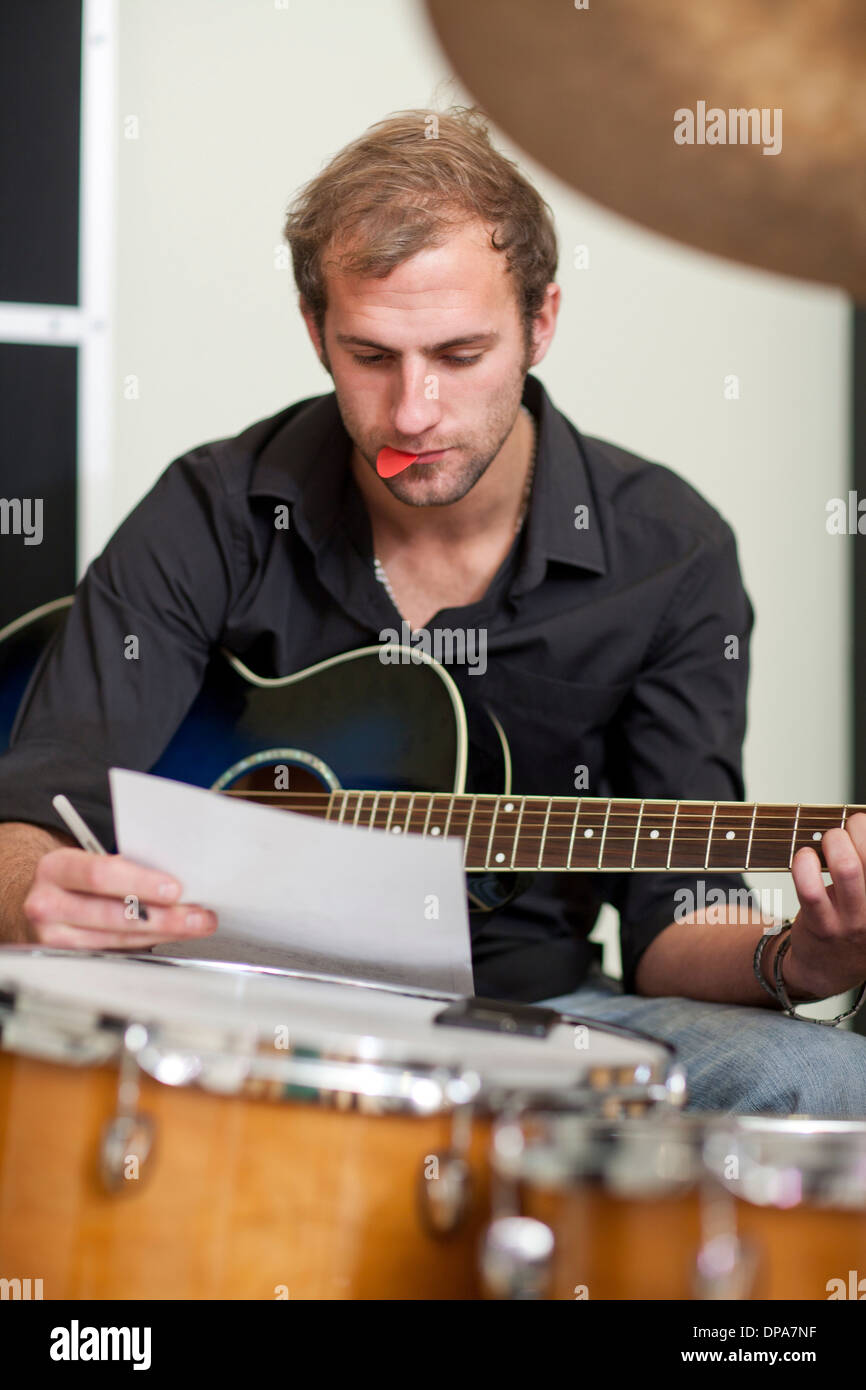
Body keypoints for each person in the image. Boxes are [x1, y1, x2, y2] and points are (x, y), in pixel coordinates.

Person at [1, 107, 864, 1114]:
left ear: (540, 322)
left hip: (531, 1017)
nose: (411, 412)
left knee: (819, 1076)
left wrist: (798, 957)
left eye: (459, 355)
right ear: (313, 328)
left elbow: (673, 927)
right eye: (370, 355)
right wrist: (29, 887)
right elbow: (34, 806)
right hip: (214, 999)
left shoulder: (669, 552)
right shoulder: (210, 508)